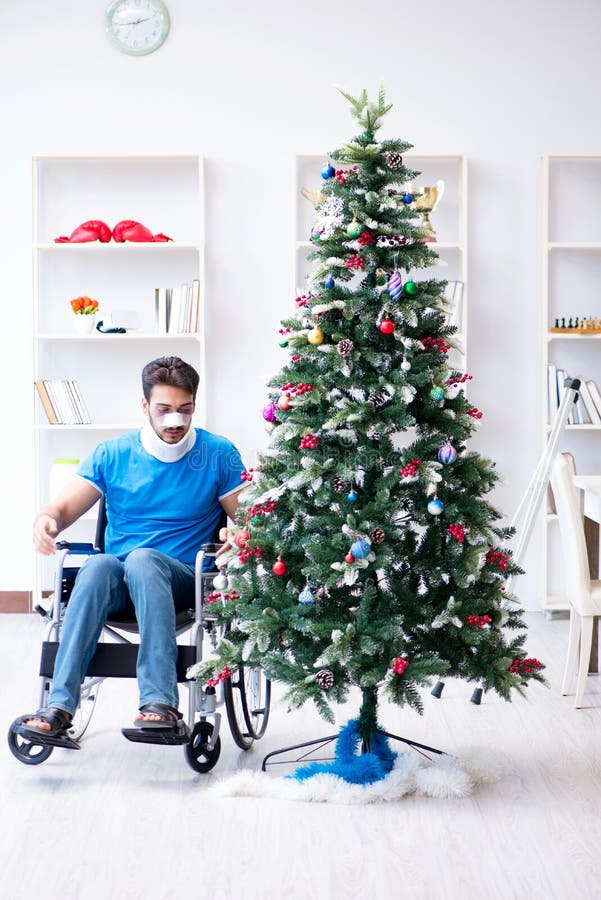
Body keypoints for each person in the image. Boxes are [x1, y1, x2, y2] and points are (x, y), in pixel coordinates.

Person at [19, 356, 245, 742]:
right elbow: (62, 508)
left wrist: (240, 535)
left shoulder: (218, 453)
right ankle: (58, 707)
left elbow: (248, 520)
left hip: (181, 581)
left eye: (184, 410)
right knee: (99, 564)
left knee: (142, 559)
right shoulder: (113, 453)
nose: (175, 420)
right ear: (145, 407)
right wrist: (46, 519)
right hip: (120, 584)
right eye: (164, 410)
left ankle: (159, 702)